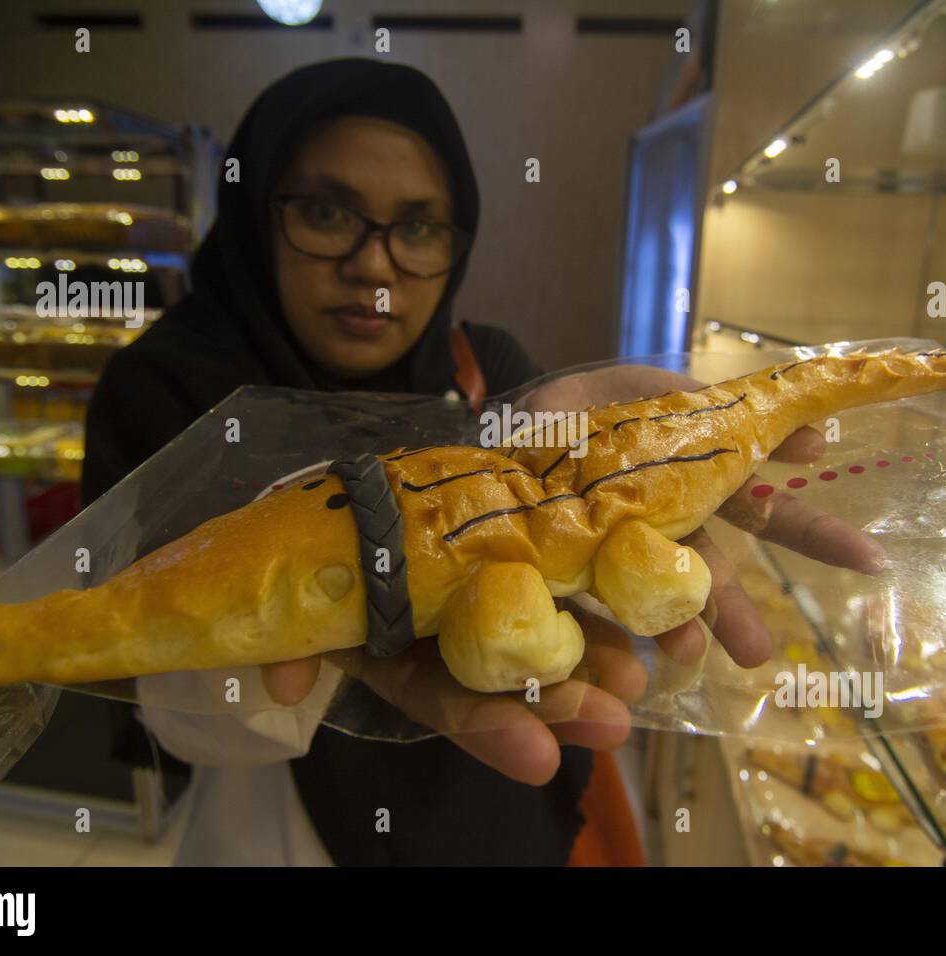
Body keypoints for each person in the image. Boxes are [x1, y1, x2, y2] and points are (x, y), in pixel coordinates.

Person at [81, 58, 881, 866]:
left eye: (418, 228)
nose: (374, 264)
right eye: (326, 213)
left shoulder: (492, 372)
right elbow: (143, 684)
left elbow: (565, 565)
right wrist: (306, 611)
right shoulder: (165, 389)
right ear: (257, 210)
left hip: (503, 821)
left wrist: (630, 487)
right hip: (281, 827)